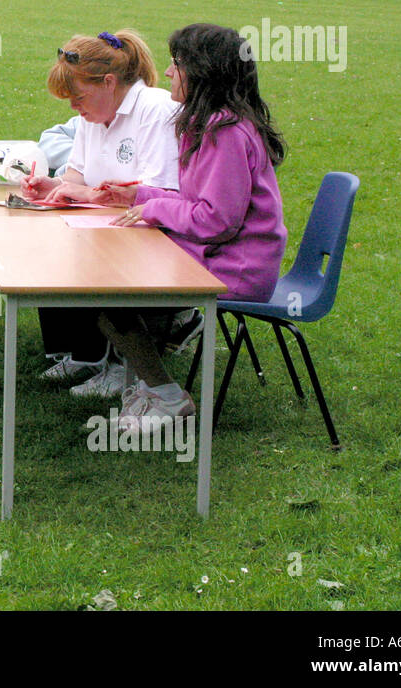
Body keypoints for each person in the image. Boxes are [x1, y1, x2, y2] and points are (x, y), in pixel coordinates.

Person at [98, 23, 288, 430]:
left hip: (236, 269)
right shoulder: (208, 124)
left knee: (109, 294)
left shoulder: (226, 134)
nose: (168, 72)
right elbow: (197, 203)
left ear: (203, 72)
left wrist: (153, 211)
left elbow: (216, 220)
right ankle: (152, 383)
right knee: (113, 280)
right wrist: (139, 197)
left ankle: (166, 397)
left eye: (177, 64)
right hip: (217, 256)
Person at [19, 30, 187, 395]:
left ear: (109, 83)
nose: (73, 107)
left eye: (78, 96)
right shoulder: (92, 118)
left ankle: (125, 363)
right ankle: (88, 352)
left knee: (90, 262)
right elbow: (76, 176)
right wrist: (55, 187)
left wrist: (83, 194)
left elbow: (160, 195)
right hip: (108, 229)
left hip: (156, 238)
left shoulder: (156, 111)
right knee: (49, 244)